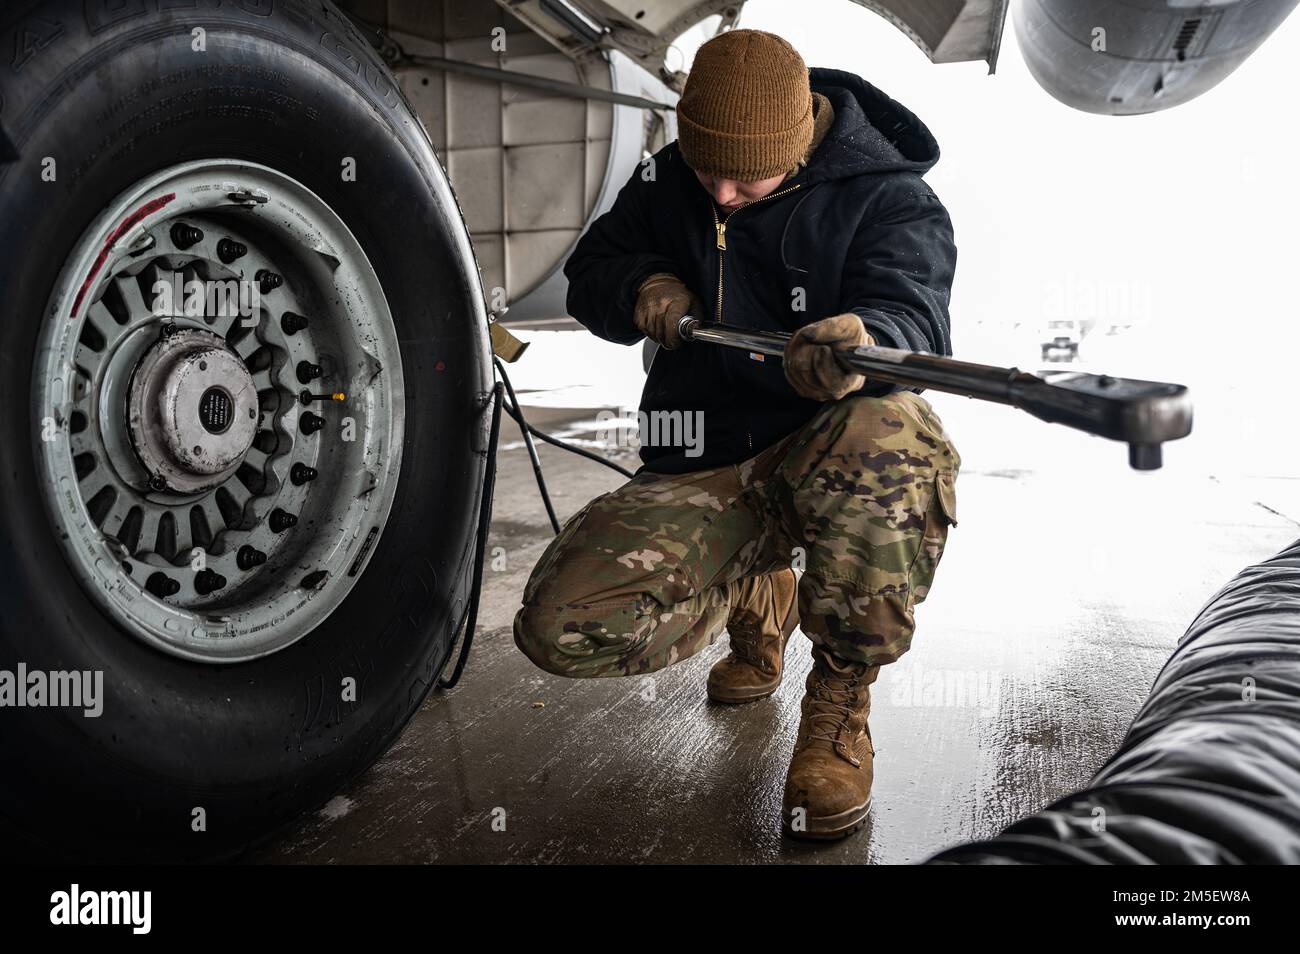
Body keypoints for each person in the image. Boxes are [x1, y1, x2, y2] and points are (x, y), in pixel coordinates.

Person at [514, 28, 961, 840]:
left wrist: (864, 343)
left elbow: (918, 321)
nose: (719, 194)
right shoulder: (670, 181)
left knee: (894, 432)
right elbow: (591, 273)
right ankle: (755, 588)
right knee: (562, 628)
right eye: (705, 168)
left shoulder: (890, 199)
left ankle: (837, 706)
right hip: (705, 459)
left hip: (823, 453)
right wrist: (641, 284)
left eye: (744, 176)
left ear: (798, 145)